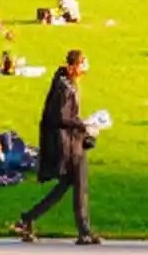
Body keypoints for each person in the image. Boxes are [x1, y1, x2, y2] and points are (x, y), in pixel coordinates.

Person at [15, 50, 101, 245]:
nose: (84, 70)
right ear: (72, 67)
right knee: (80, 187)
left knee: (68, 185)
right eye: (81, 66)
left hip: (71, 141)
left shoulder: (66, 85)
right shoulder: (63, 88)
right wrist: (83, 126)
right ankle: (84, 231)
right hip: (68, 144)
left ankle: (28, 218)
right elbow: (59, 118)